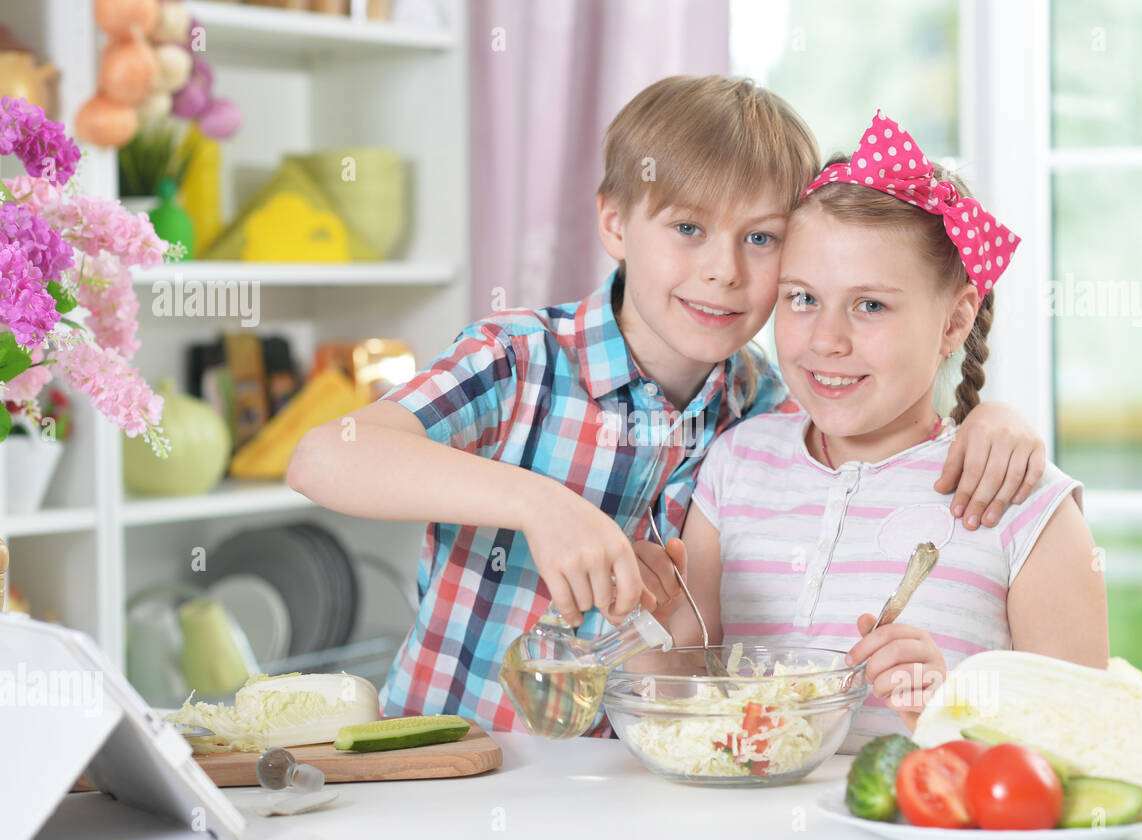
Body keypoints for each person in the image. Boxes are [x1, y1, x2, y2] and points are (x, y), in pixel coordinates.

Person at [287, 80, 1048, 736]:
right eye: (688, 228)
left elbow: (886, 421)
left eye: (760, 239)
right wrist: (541, 506)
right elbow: (323, 456)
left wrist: (990, 417)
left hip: (626, 786)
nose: (722, 271)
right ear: (616, 223)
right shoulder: (521, 359)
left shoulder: (764, 408)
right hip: (447, 761)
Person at [644, 110, 1108, 751]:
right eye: (802, 298)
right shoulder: (736, 467)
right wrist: (654, 625)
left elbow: (1085, 745)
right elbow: (685, 696)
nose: (827, 340)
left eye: (870, 306)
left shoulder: (1021, 502)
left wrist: (950, 712)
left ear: (953, 323)